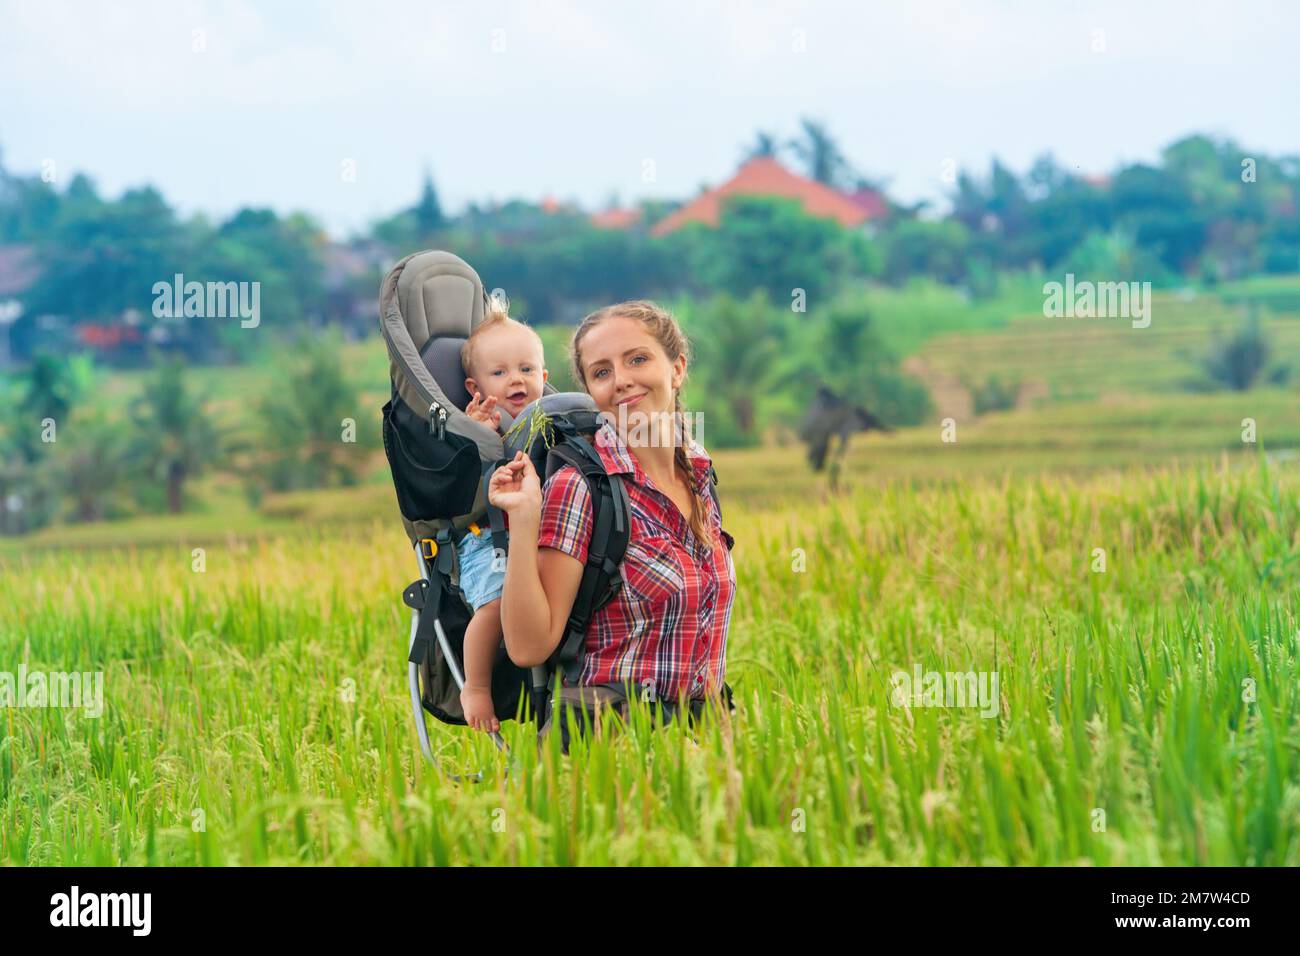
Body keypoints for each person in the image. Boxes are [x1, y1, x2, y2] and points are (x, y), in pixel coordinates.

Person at [487, 300, 736, 744]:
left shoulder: (699, 473)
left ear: (677, 368)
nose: (621, 380)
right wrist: (524, 521)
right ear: (591, 391)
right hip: (608, 749)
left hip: (705, 741)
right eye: (601, 372)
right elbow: (529, 646)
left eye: (637, 359)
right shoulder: (582, 485)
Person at [456, 305, 549, 732]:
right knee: (495, 603)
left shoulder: (554, 419)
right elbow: (459, 484)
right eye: (500, 373)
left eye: (527, 368)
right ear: (475, 387)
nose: (516, 379)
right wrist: (476, 434)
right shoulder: (479, 425)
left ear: (545, 378)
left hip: (542, 531)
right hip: (487, 537)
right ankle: (475, 685)